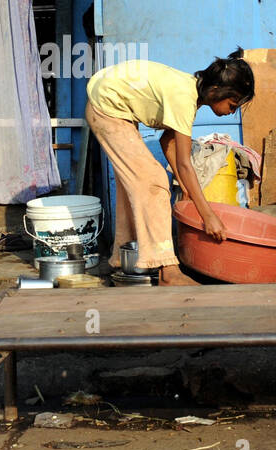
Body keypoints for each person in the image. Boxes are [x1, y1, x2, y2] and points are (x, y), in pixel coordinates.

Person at [85, 49, 254, 286]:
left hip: (113, 104)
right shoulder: (183, 97)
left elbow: (168, 141)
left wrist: (186, 189)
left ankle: (123, 258)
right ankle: (168, 270)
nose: (232, 111)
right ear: (215, 91)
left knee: (133, 183)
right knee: (154, 181)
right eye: (233, 104)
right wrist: (208, 216)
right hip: (106, 108)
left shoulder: (189, 93)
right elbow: (184, 164)